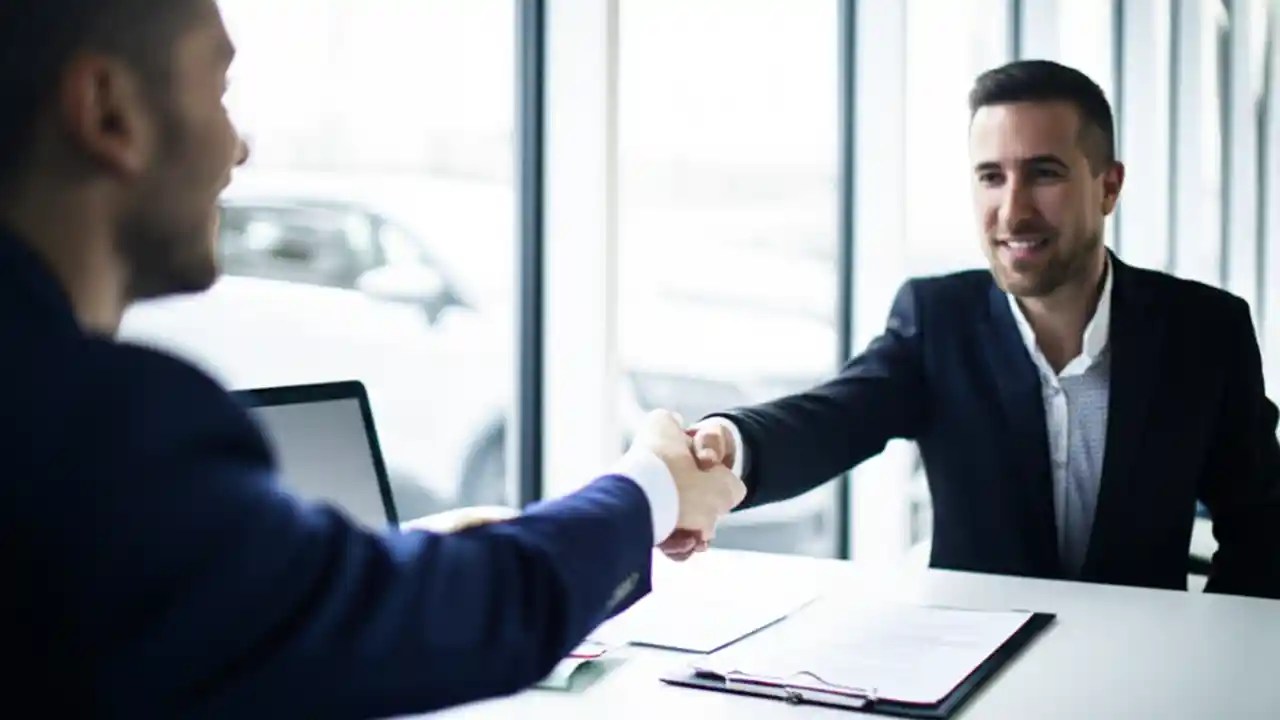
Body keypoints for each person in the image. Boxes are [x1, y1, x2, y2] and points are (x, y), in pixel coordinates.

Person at [0, 0, 745, 716]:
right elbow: (474, 613)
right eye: (219, 89)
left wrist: (360, 564)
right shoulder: (100, 434)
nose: (239, 147)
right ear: (108, 111)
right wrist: (653, 487)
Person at [681, 59, 1280, 599]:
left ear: (1109, 186)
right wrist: (729, 444)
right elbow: (829, 420)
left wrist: (1213, 650)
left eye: (1044, 174)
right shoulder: (937, 319)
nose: (1013, 210)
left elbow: (1263, 526)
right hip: (975, 679)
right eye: (991, 177)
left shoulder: (1205, 332)